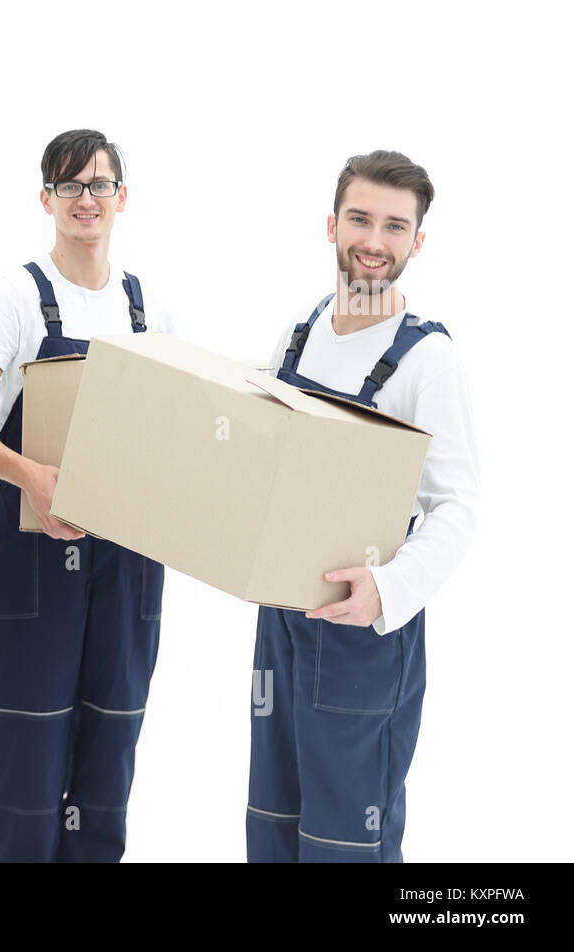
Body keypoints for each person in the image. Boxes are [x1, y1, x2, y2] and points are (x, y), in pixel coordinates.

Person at [246, 150, 480, 862]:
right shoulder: (301, 328)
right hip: (282, 617)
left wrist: (388, 588)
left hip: (365, 633)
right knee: (274, 819)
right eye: (360, 219)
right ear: (331, 224)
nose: (373, 241)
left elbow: (457, 505)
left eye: (393, 226)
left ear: (417, 240)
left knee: (345, 839)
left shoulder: (426, 359)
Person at [0, 129, 173, 862]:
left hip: (132, 559)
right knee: (27, 755)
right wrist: (33, 478)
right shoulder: (15, 295)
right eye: (70, 186)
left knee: (109, 752)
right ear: (46, 199)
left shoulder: (148, 309)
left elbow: (177, 430)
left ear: (122, 198)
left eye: (99, 185)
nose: (86, 199)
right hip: (32, 555)